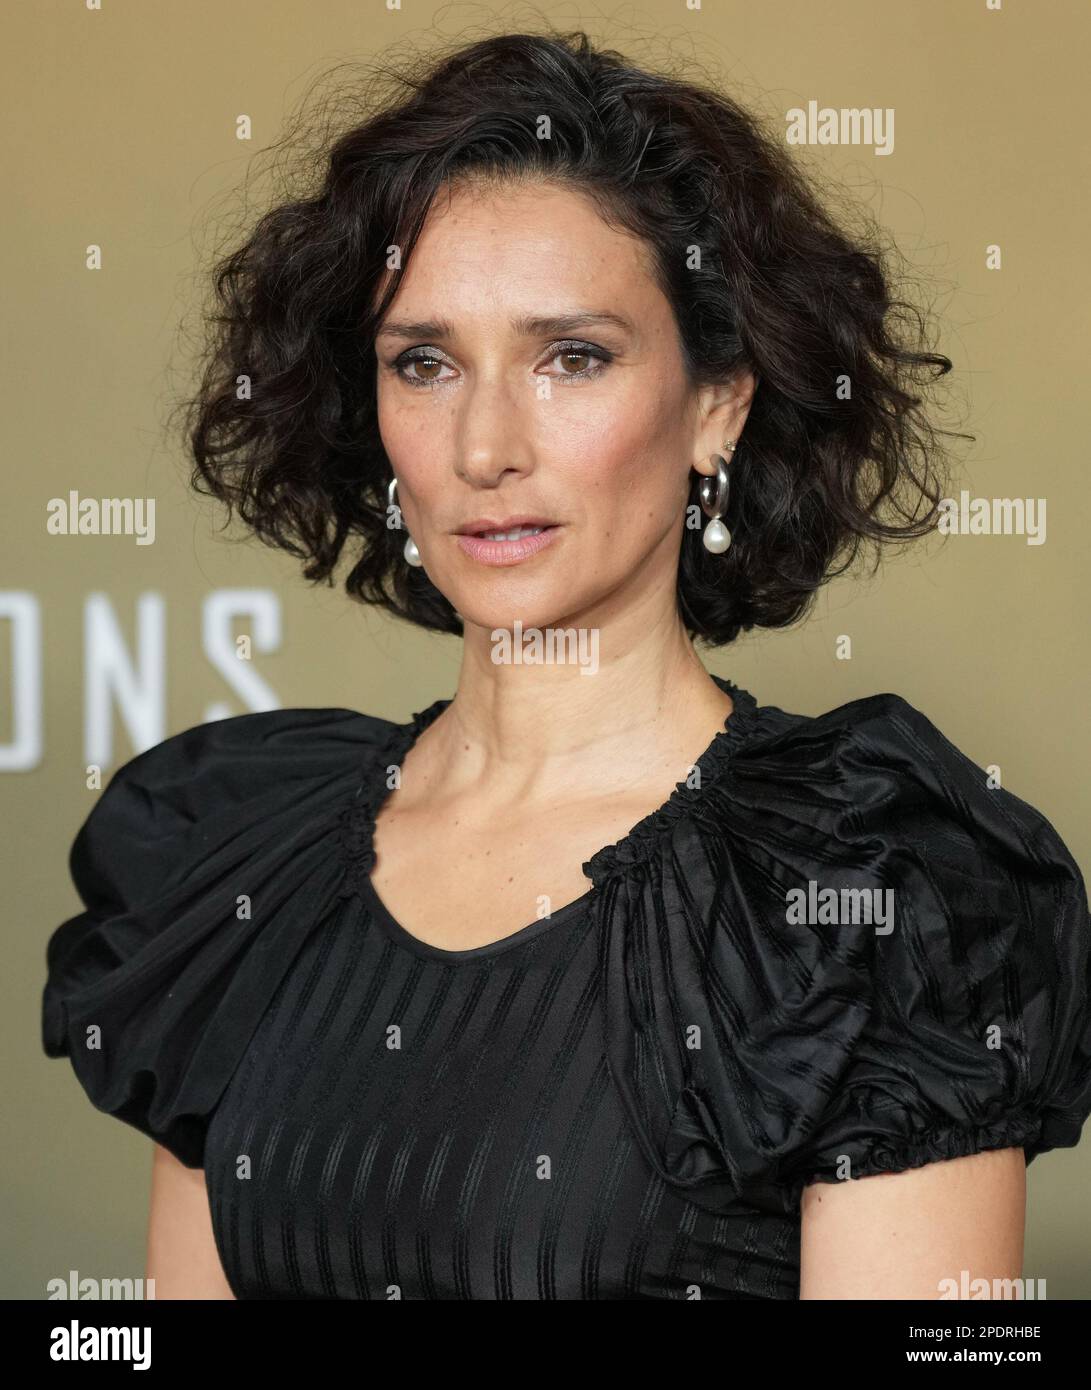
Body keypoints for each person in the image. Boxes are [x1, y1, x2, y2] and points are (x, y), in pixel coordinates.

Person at [42, 29, 1091, 1300]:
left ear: (717, 402)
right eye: (421, 362)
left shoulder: (870, 886)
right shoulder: (243, 859)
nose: (485, 444)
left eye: (570, 357)